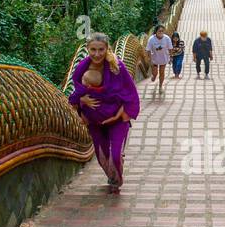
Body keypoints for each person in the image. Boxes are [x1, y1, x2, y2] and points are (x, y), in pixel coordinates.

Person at [68, 33, 140, 194]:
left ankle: (117, 179)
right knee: (102, 155)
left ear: (107, 48)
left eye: (101, 49)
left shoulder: (117, 67)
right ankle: (112, 177)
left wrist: (122, 113)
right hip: (95, 122)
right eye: (93, 49)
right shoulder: (81, 69)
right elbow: (75, 95)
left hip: (117, 119)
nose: (97, 54)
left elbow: (129, 92)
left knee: (115, 155)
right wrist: (82, 102)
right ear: (87, 49)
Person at [145, 24, 172, 98]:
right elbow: (148, 50)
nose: (161, 32)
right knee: (155, 73)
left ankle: (160, 87)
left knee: (162, 72)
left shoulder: (167, 38)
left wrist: (171, 57)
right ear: (156, 31)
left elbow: (170, 48)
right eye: (159, 31)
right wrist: (149, 59)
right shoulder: (151, 39)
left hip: (164, 58)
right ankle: (154, 76)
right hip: (155, 59)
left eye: (162, 31)